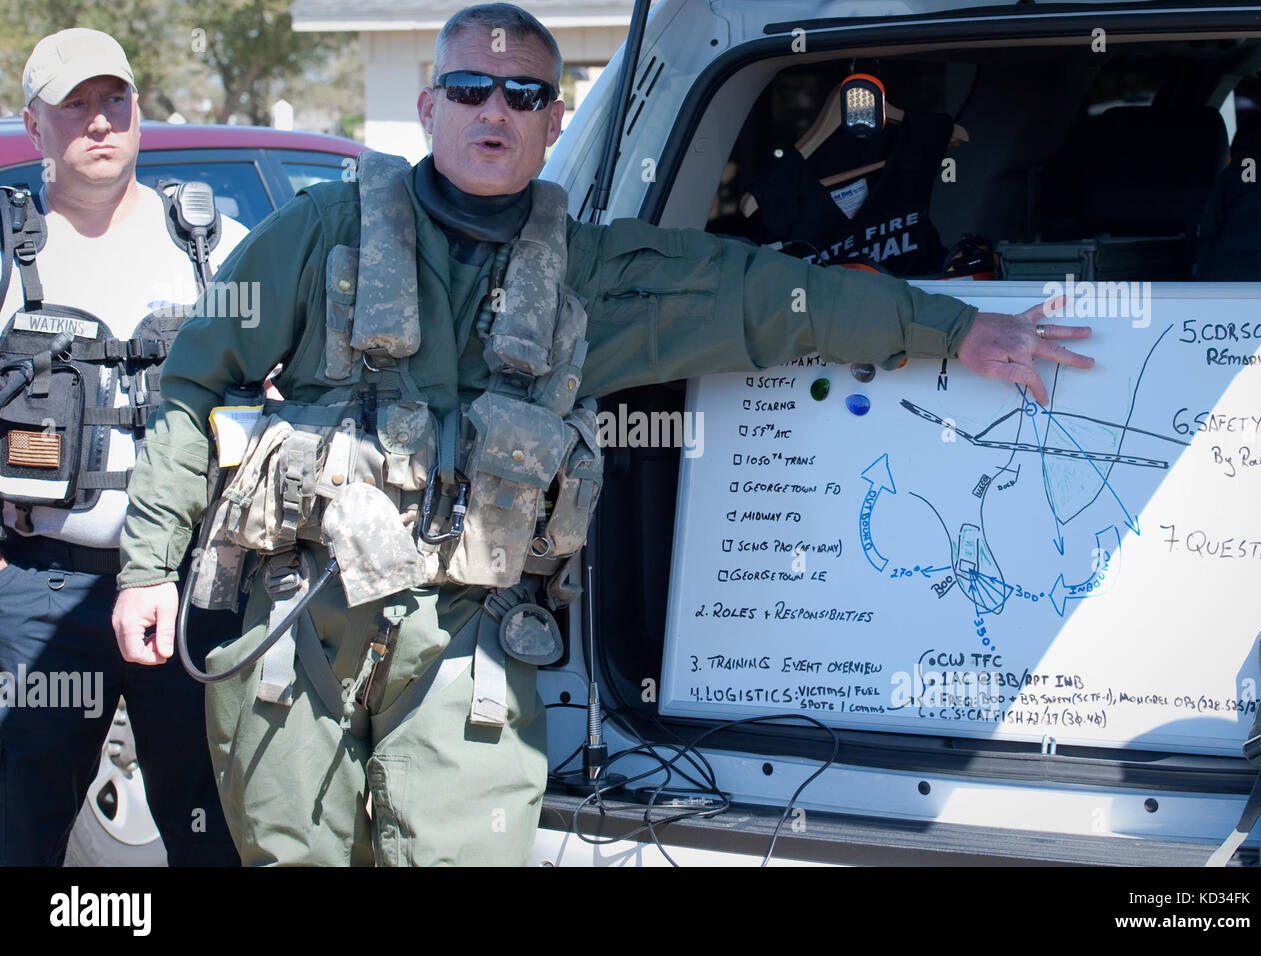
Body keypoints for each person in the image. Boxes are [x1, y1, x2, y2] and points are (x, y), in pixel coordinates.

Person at [112, 3, 1093, 866]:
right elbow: (193, 385)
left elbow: (773, 299)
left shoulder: (597, 277)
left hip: (470, 648)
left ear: (550, 118)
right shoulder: (318, 233)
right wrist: (149, 564)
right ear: (429, 108)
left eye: (521, 94)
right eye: (468, 87)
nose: (493, 109)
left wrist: (959, 331)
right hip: (302, 626)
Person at [0, 28, 243, 865]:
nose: (100, 122)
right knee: (18, 829)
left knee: (213, 830)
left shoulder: (213, 244)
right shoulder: (7, 250)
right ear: (34, 127)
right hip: (41, 589)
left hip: (194, 590)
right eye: (75, 105)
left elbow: (284, 393)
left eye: (115, 100)